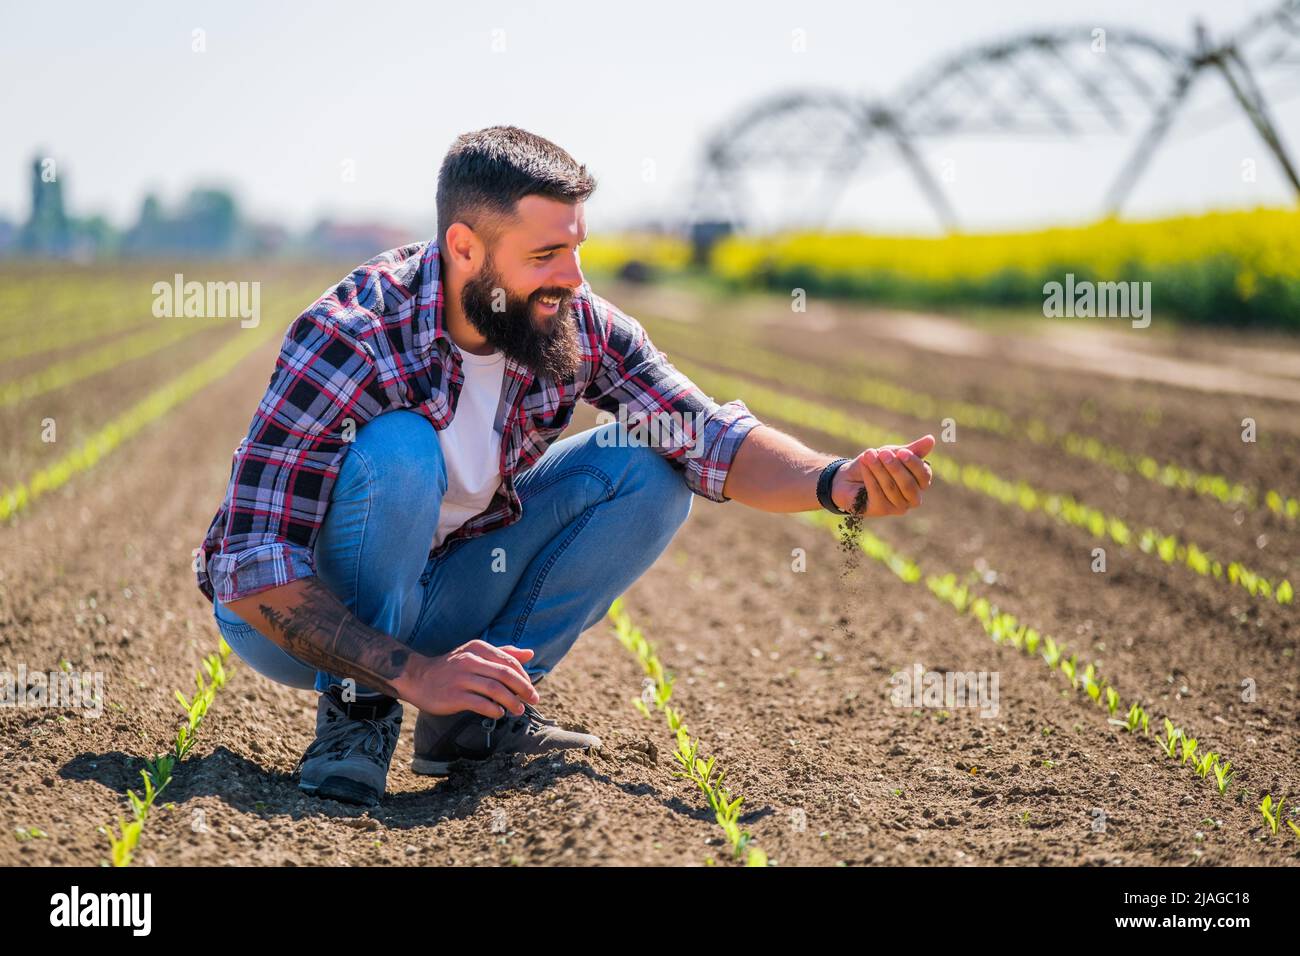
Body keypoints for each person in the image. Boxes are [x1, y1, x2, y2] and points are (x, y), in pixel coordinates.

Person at [195, 125, 935, 807]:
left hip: (436, 589)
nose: (574, 279)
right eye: (546, 256)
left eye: (576, 249)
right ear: (464, 249)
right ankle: (356, 721)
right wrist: (417, 674)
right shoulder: (353, 335)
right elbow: (253, 566)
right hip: (293, 616)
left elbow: (709, 437)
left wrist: (834, 481)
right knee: (400, 451)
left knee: (647, 468)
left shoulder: (575, 325)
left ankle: (478, 720)